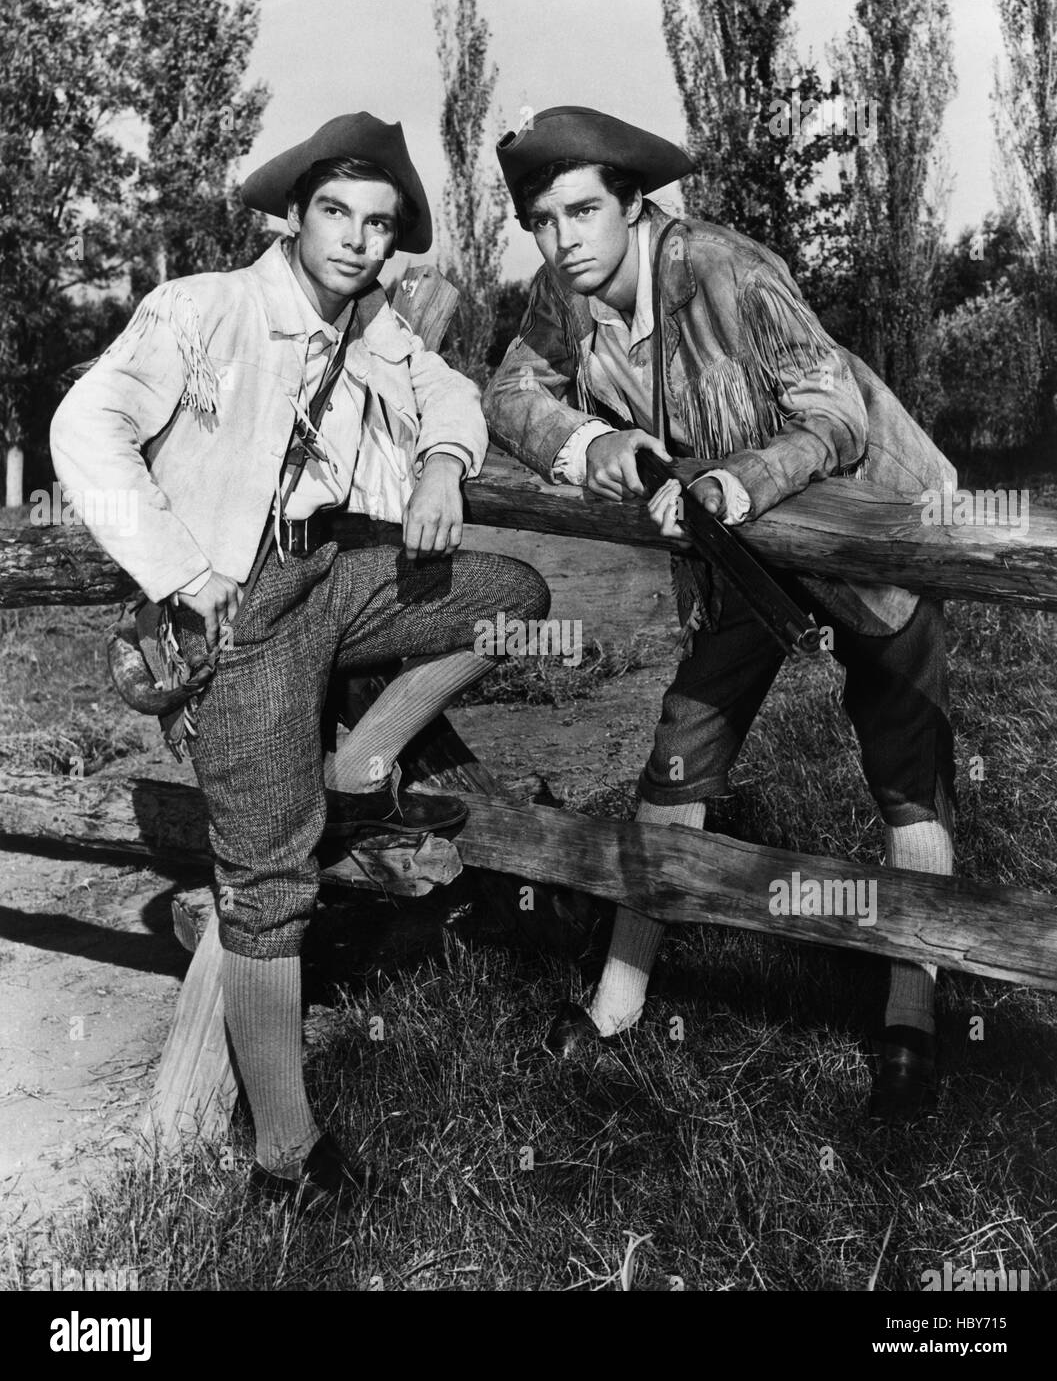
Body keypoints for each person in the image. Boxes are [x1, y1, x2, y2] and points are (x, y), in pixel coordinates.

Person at [51, 112, 549, 1209]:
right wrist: (187, 574)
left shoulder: (371, 328)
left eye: (380, 224)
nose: (360, 240)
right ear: (295, 212)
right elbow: (84, 430)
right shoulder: (204, 309)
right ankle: (288, 1156)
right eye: (338, 212)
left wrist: (443, 466)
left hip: (341, 579)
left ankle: (360, 770)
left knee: (512, 598)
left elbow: (447, 392)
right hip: (239, 614)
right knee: (268, 882)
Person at [483, 105, 956, 1124]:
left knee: (904, 782)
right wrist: (588, 447)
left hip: (870, 527)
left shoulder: (724, 269)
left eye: (581, 212)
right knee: (679, 757)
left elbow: (837, 414)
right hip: (736, 556)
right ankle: (616, 1007)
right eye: (541, 220)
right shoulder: (560, 296)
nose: (562, 239)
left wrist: (739, 480)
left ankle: (910, 1021)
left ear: (633, 205)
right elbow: (510, 393)